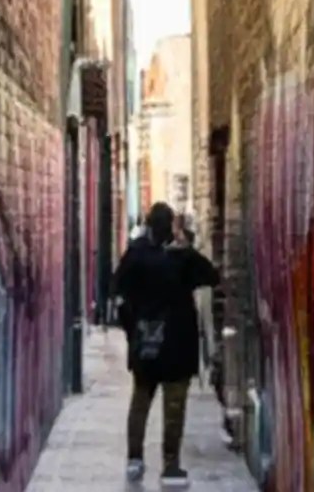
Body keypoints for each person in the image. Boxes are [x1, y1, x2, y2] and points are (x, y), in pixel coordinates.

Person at [111, 202, 219, 488]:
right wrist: (185, 246)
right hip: (178, 345)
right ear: (171, 227)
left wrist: (131, 329)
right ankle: (170, 465)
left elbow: (118, 290)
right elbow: (212, 276)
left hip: (146, 343)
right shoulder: (182, 258)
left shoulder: (135, 255)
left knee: (140, 402)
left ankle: (135, 459)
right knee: (174, 408)